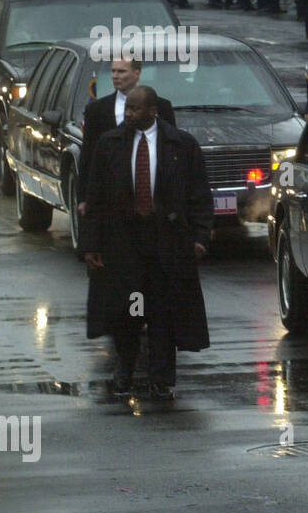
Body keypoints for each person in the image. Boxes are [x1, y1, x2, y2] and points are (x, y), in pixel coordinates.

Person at [81, 86, 212, 399]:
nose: (129, 115)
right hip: (123, 244)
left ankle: (160, 378)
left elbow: (199, 195)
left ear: (153, 111)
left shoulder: (181, 145)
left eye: (136, 109)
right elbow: (94, 196)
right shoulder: (110, 144)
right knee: (126, 310)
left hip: (166, 243)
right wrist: (91, 244)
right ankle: (124, 370)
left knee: (163, 313)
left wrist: (200, 237)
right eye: (127, 109)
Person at [77, 58, 176, 216]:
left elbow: (172, 151)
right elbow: (88, 155)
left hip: (153, 197)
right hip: (111, 198)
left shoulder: (161, 107)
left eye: (121, 71)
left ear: (137, 74)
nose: (115, 76)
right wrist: (83, 198)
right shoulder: (96, 110)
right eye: (113, 71)